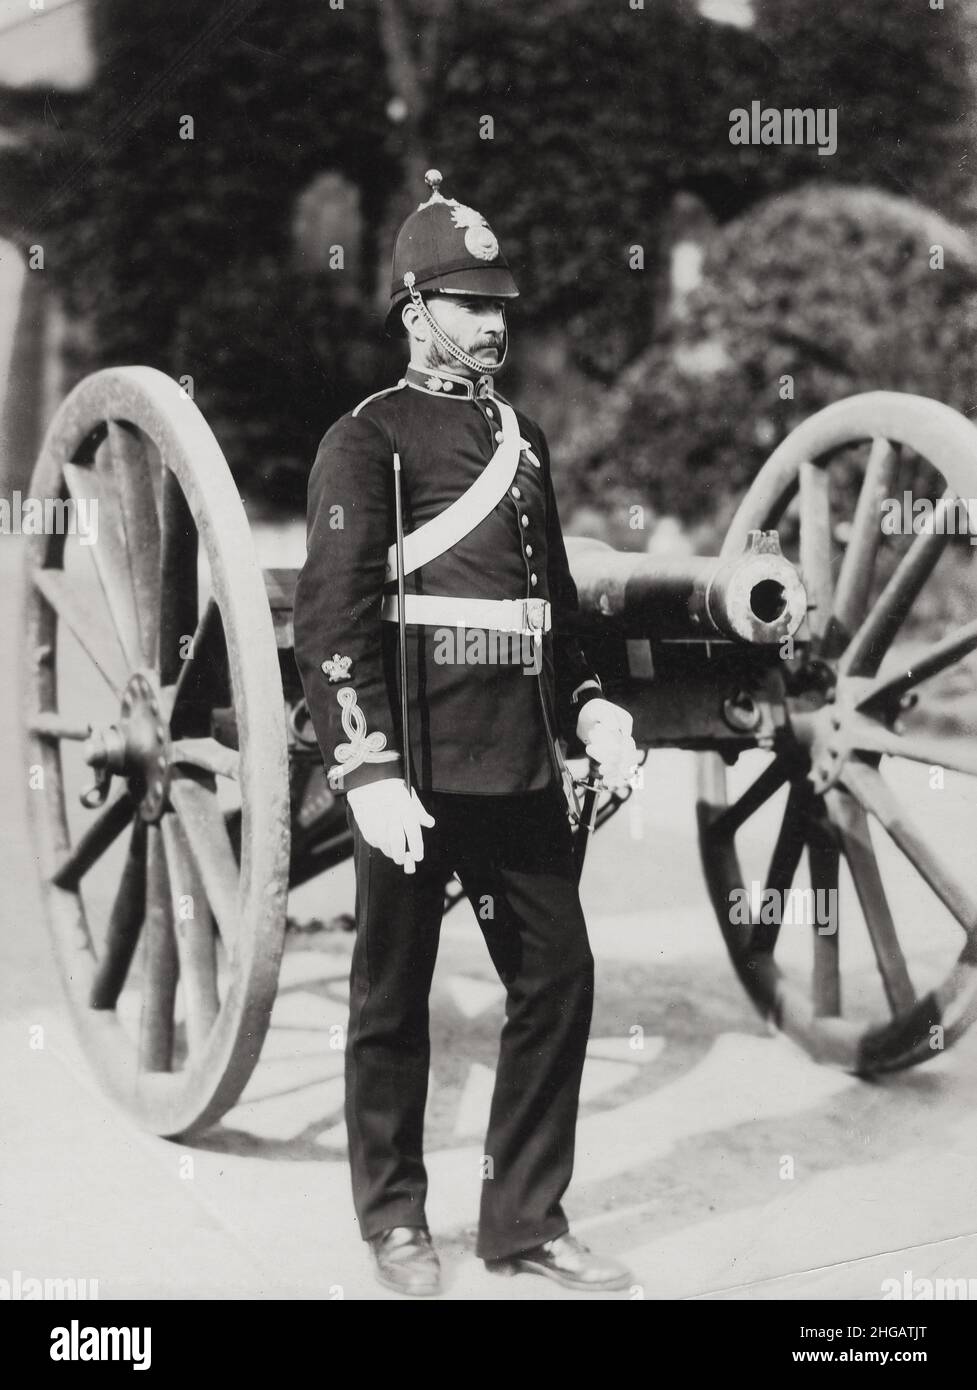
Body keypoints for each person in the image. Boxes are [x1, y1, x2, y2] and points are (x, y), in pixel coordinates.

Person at [293, 169, 639, 1297]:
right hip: (419, 769)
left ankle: (522, 1219)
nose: (492, 322)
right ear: (414, 307)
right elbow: (332, 627)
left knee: (558, 981)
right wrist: (368, 770)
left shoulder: (524, 440)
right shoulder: (366, 441)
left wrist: (590, 705)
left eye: (500, 304)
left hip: (520, 765)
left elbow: (553, 611)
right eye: (468, 302)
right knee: (390, 1001)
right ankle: (394, 1219)